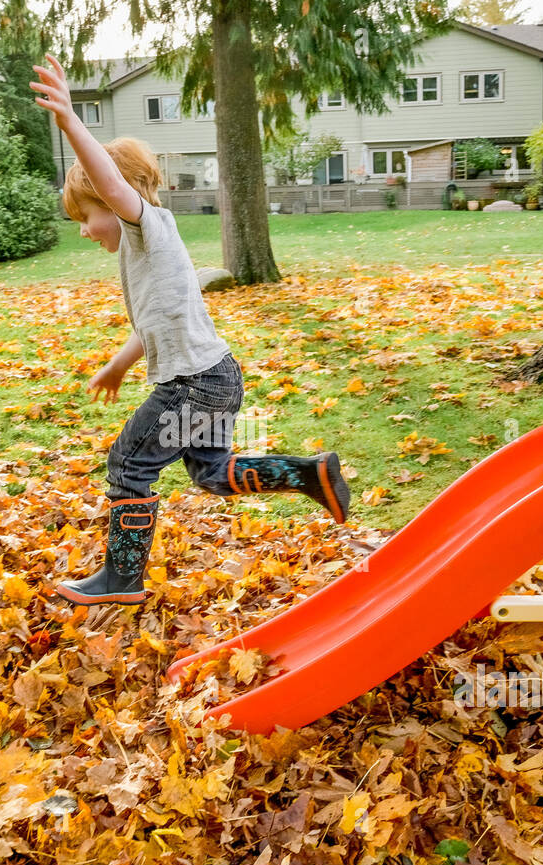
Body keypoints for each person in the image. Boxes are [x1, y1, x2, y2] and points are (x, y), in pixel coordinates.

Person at [30, 53, 351, 606]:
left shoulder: (145, 223)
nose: (84, 230)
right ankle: (308, 476)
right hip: (216, 378)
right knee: (211, 473)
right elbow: (159, 323)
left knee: (129, 462)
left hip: (194, 386)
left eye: (86, 215)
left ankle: (122, 579)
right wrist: (118, 363)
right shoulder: (149, 248)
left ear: (115, 198)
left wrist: (70, 123)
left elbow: (108, 180)